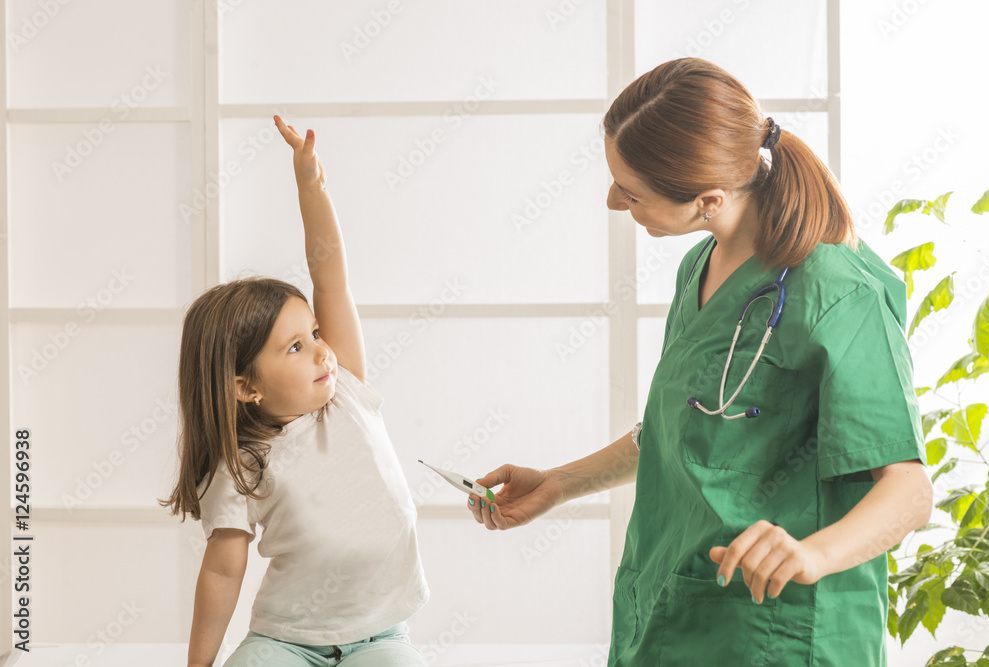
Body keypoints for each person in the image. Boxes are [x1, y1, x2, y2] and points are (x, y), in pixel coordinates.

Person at [465, 58, 932, 666]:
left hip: (779, 630)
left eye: (629, 192)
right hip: (671, 606)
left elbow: (908, 490)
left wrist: (812, 554)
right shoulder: (699, 270)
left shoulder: (838, 293)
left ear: (708, 199)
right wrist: (558, 483)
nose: (612, 200)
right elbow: (690, 429)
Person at [161, 116, 429, 667]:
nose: (322, 350)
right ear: (244, 387)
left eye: (313, 334)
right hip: (285, 640)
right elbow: (221, 571)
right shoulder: (241, 466)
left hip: (380, 635)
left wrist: (311, 189)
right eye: (296, 348)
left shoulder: (346, 394)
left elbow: (330, 277)